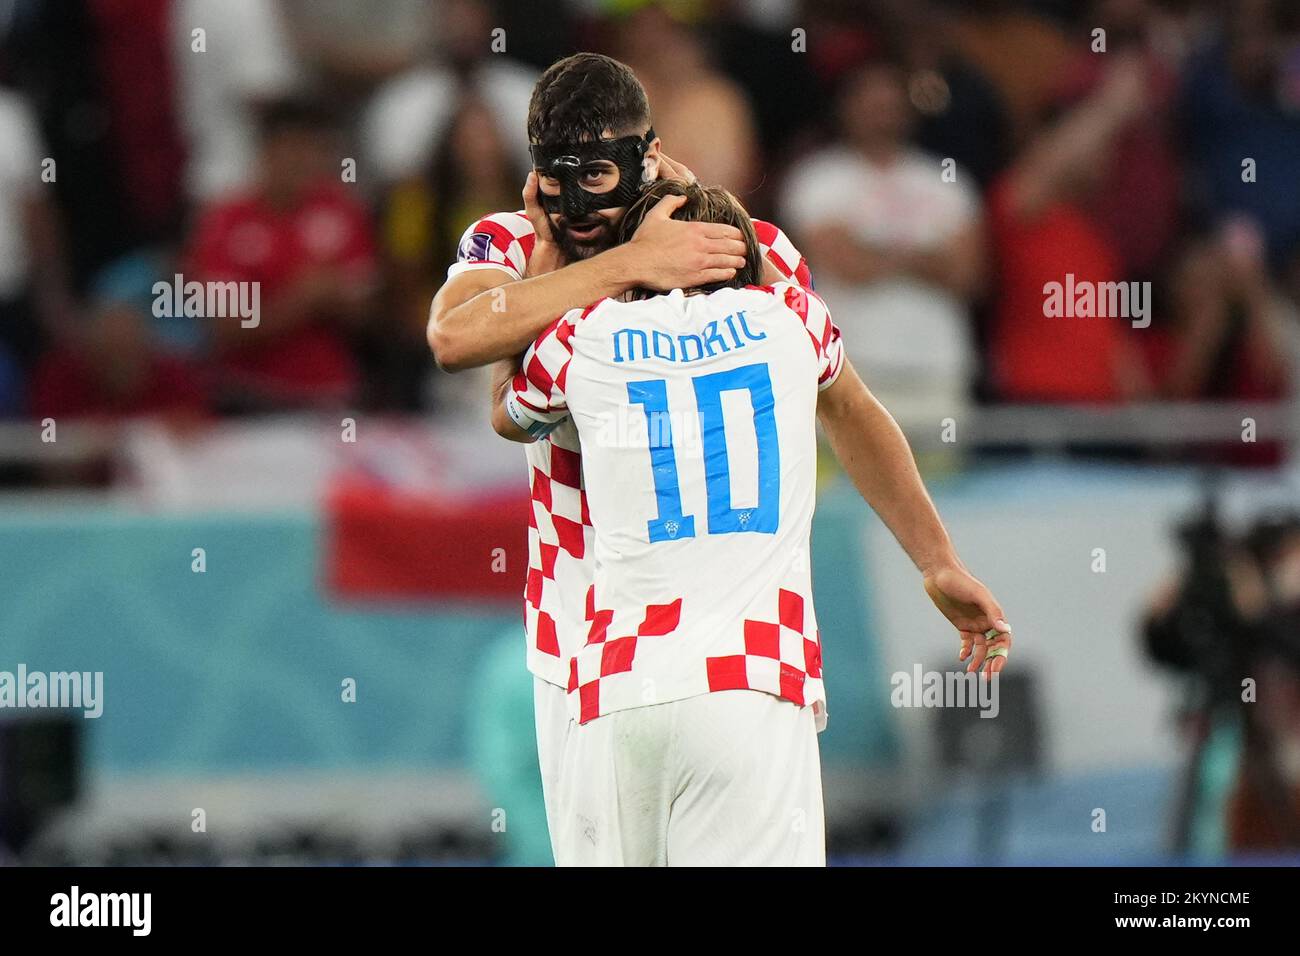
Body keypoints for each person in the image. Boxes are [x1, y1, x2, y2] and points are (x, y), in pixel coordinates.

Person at [429, 52, 1009, 862]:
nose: (572, 202)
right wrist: (627, 264)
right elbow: (452, 334)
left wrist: (935, 557)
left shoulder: (729, 255)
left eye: (597, 173)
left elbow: (849, 408)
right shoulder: (514, 236)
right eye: (553, 178)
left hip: (641, 659)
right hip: (581, 652)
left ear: (647, 155)